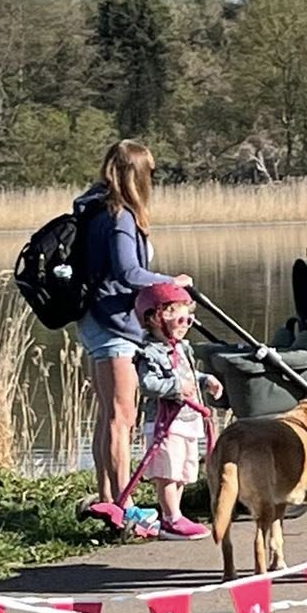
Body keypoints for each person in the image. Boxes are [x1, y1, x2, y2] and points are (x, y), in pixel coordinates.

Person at [77, 140, 193, 536]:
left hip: (97, 319)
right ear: (137, 175)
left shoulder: (94, 208)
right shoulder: (119, 215)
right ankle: (123, 507)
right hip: (111, 322)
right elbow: (129, 272)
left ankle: (109, 498)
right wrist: (171, 282)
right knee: (122, 416)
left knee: (109, 415)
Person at [133, 282, 222, 538]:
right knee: (168, 472)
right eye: (179, 318)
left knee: (183, 472)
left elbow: (189, 375)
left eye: (189, 320)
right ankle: (171, 516)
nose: (185, 325)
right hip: (166, 424)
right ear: (154, 319)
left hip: (187, 420)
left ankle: (176, 513)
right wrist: (175, 387)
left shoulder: (182, 349)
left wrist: (205, 381)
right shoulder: (150, 353)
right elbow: (148, 384)